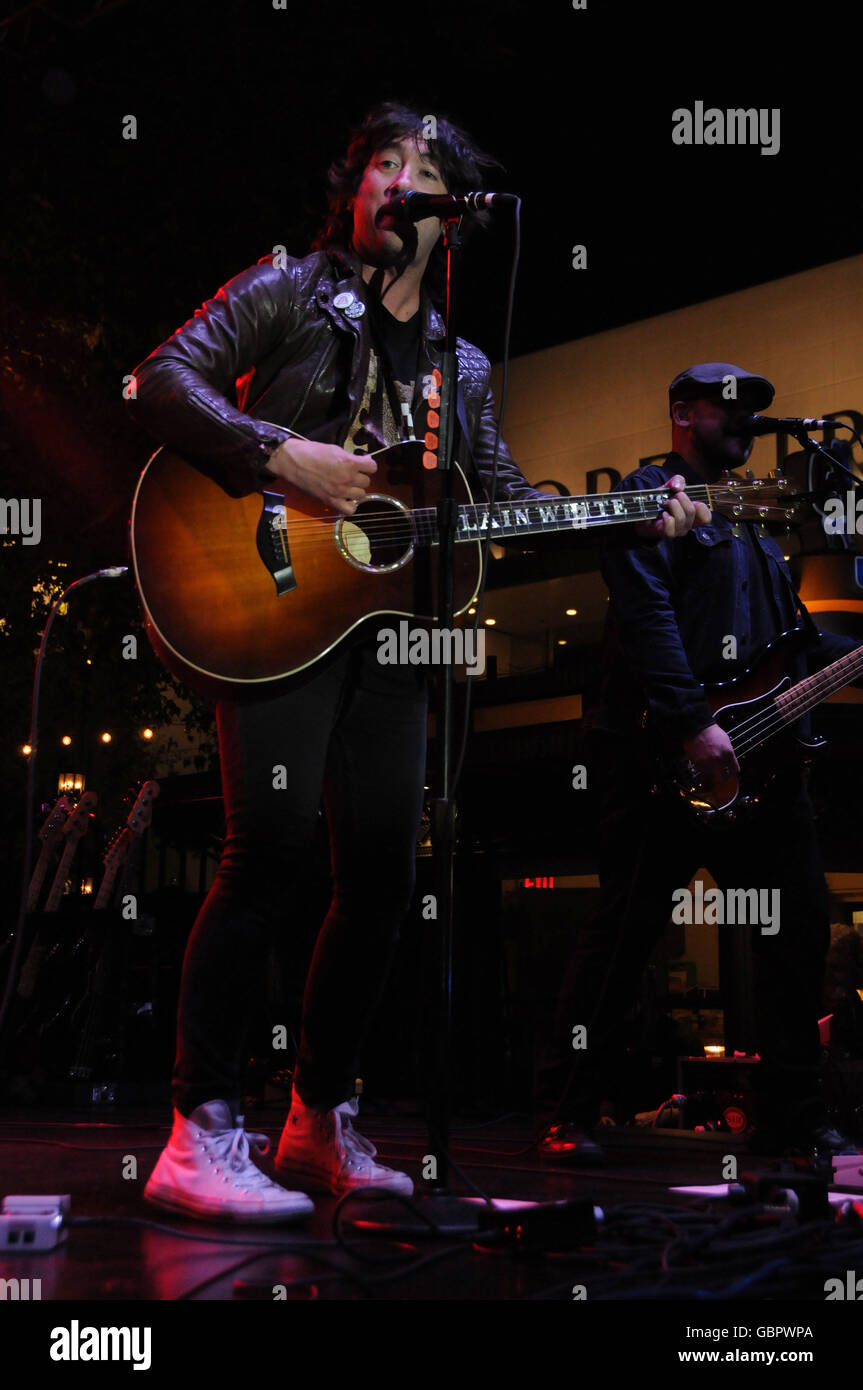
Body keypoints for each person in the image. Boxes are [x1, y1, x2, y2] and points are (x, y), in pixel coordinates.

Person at [127, 101, 705, 1223]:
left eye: (422, 166)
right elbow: (157, 380)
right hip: (270, 603)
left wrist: (630, 516)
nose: (400, 178)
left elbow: (504, 502)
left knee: (383, 877)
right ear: (353, 193)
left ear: (454, 212)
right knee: (265, 851)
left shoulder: (461, 365)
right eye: (381, 163)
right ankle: (198, 1132)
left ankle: (316, 1119)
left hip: (389, 627)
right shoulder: (287, 288)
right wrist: (276, 451)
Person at [541, 362, 863, 1163]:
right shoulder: (649, 496)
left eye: (753, 409)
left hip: (757, 764)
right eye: (729, 406)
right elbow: (645, 612)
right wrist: (690, 723)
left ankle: (792, 1115)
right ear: (682, 412)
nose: (745, 419)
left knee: (795, 927)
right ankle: (566, 1110)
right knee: (626, 934)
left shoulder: (749, 515)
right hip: (657, 754)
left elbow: (793, 642)